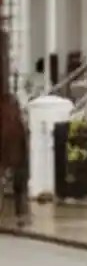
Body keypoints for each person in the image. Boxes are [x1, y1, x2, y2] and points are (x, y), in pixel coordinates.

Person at [0, 92, 30, 225]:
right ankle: (20, 214)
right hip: (16, 158)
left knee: (16, 186)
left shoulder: (12, 121)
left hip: (12, 158)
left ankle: (19, 214)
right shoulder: (17, 122)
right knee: (19, 187)